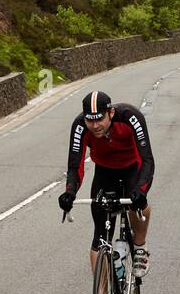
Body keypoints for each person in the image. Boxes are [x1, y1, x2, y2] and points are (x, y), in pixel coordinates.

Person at [57, 90, 153, 278]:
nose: (95, 125)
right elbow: (75, 165)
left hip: (132, 167)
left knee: (139, 206)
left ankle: (140, 246)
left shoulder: (130, 117)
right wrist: (70, 192)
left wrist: (141, 190)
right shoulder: (79, 125)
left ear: (110, 113)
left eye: (99, 119)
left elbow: (147, 159)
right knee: (100, 237)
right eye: (90, 120)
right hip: (104, 171)